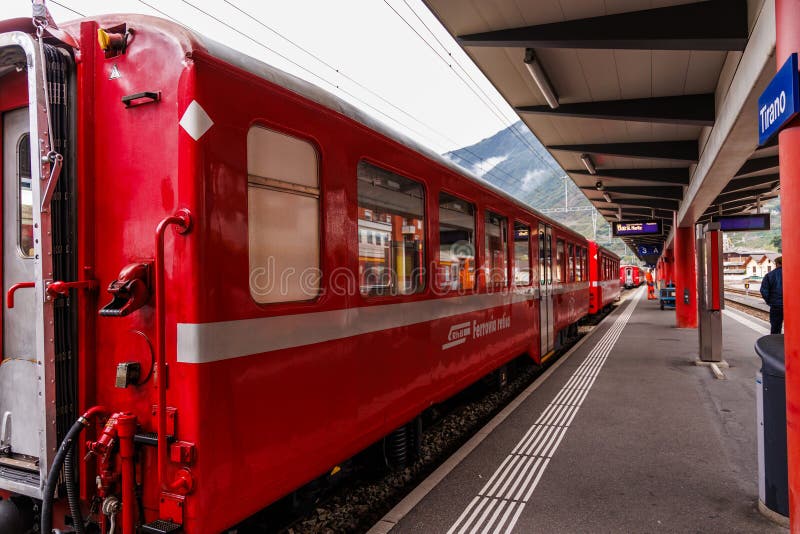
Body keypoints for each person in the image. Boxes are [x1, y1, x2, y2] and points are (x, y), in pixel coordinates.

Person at [760, 256, 783, 334]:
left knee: (775, 327)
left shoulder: (769, 275)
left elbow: (764, 291)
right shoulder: (793, 273)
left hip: (776, 305)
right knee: (793, 327)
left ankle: (775, 343)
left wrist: (769, 301)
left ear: (777, 264)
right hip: (791, 306)